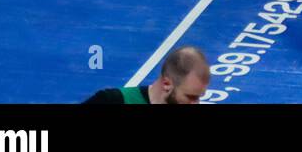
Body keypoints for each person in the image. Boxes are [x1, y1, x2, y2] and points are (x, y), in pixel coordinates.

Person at [82, 46, 211, 104]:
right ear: (167, 84)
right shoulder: (112, 100)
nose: (195, 103)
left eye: (198, 98)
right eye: (190, 97)